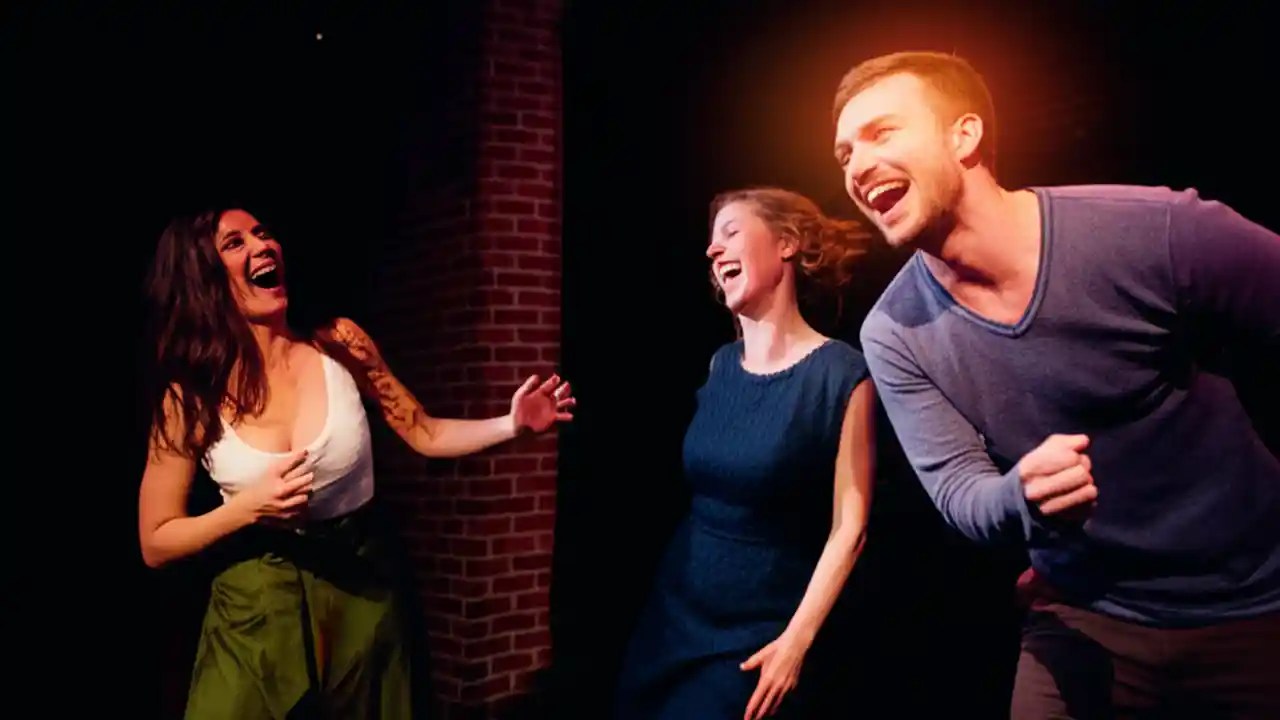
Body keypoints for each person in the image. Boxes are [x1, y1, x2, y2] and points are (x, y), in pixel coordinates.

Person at [832, 50, 1280, 717]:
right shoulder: (893, 332)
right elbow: (958, 489)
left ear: (965, 135)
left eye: (882, 133)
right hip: (1084, 620)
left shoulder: (1152, 230)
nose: (857, 167)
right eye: (842, 154)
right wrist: (1020, 497)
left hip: (1254, 608)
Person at [137, 206, 576, 718]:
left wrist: (512, 424)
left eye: (263, 233)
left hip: (360, 585)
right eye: (234, 244)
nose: (262, 246)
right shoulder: (189, 398)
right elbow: (156, 539)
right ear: (203, 279)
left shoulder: (340, 344)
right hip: (255, 599)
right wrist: (245, 510)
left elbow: (426, 432)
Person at [614, 187, 877, 720]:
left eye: (731, 232)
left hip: (758, 630)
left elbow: (850, 527)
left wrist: (795, 643)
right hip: (675, 612)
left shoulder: (842, 376)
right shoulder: (719, 366)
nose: (713, 251)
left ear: (786, 243)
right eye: (711, 242)